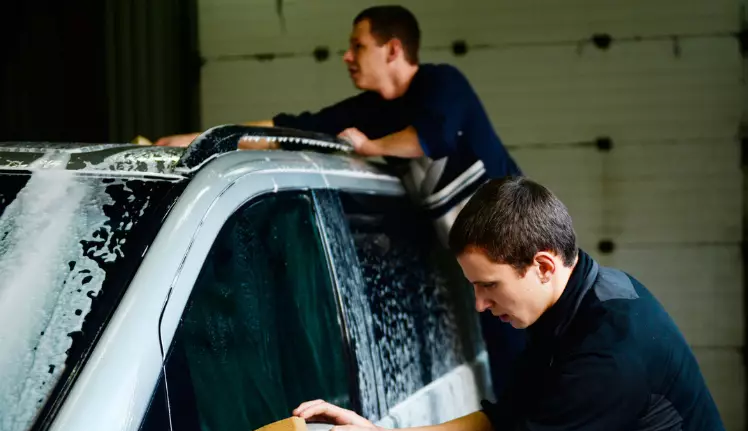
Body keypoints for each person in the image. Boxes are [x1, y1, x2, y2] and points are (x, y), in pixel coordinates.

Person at [162, 176, 748, 431]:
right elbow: (509, 422)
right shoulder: (572, 305)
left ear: (543, 265)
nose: (479, 304)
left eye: (488, 285)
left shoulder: (613, 353)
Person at [156, 5, 524, 396]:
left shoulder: (442, 84)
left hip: (516, 251)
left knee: (534, 363)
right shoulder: (373, 110)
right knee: (509, 375)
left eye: (358, 46)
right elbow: (294, 128)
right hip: (482, 276)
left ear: (393, 49)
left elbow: (436, 136)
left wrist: (371, 146)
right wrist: (204, 138)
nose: (347, 57)